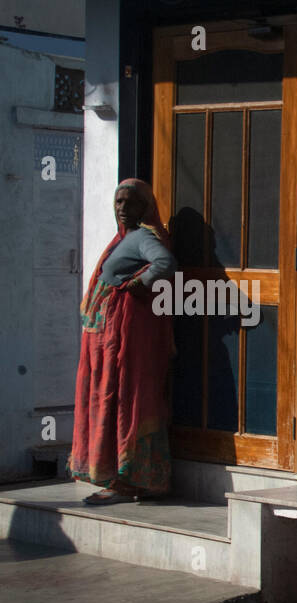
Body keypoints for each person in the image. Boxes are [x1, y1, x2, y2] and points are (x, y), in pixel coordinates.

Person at [69, 178, 177, 504]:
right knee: (102, 399)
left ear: (145, 208)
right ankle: (112, 476)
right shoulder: (122, 240)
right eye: (118, 202)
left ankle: (126, 482)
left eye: (130, 203)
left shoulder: (144, 236)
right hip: (101, 339)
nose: (122, 209)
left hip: (119, 343)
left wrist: (140, 282)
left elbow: (165, 263)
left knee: (120, 400)